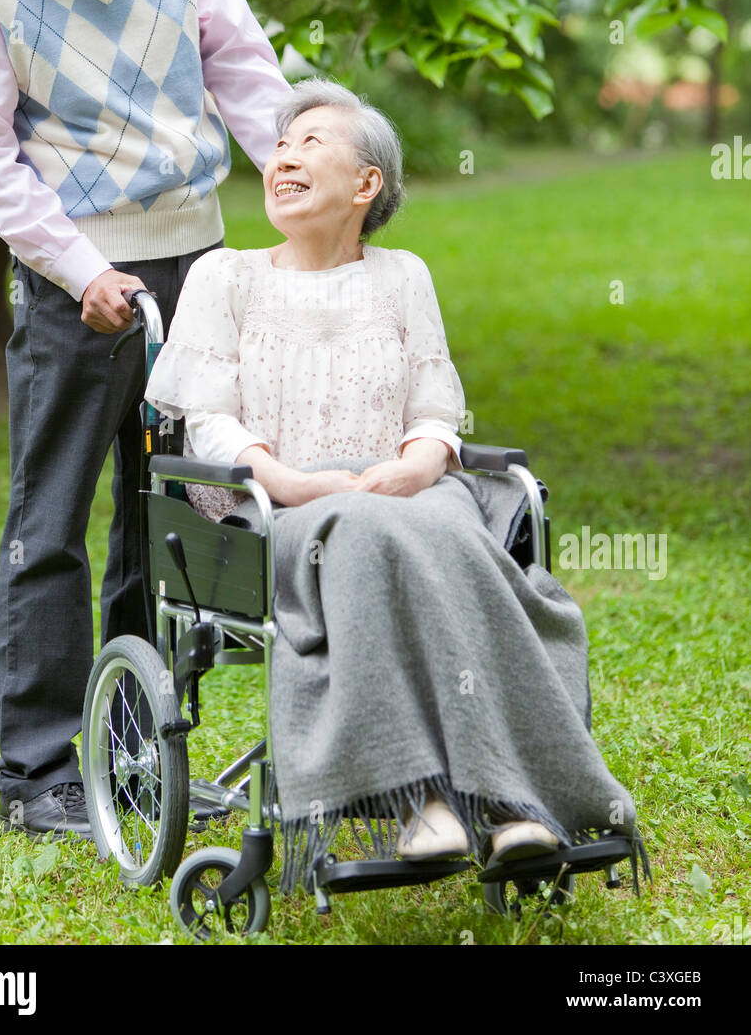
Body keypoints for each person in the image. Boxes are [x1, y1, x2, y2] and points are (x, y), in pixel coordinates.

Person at [144, 77, 643, 889]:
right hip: (274, 506)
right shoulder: (225, 278)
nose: (284, 158)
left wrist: (418, 462)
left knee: (446, 526)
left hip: (406, 489)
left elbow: (435, 411)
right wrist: (298, 485)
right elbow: (211, 419)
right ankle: (425, 802)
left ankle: (512, 805)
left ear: (366, 183)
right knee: (369, 534)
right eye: (279, 146)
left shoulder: (403, 277)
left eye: (311, 143)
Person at [0, 0, 290, 840]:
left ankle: (138, 740)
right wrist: (78, 266)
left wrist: (296, 181)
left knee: (168, 511)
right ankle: (38, 773)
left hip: (200, 258)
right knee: (50, 520)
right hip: (72, 277)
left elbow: (237, 65)